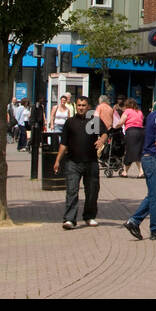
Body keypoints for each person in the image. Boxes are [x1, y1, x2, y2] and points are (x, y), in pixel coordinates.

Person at [122, 91, 156, 240]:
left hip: (146, 157)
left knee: (153, 194)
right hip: (153, 158)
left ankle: (134, 221)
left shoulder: (152, 115)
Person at [55, 96, 101, 229]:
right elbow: (63, 143)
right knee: (72, 191)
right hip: (72, 162)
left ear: (88, 107)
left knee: (92, 191)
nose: (81, 108)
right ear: (76, 106)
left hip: (91, 162)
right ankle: (69, 219)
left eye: (84, 105)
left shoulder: (94, 121)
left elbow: (104, 133)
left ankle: (89, 216)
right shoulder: (69, 122)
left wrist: (101, 140)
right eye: (79, 105)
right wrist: (58, 160)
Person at [121, 98, 145, 178]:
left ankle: (141, 171)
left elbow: (121, 121)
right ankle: (125, 171)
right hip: (141, 132)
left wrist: (115, 126)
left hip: (131, 132)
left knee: (132, 152)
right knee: (136, 151)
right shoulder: (140, 112)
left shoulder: (127, 111)